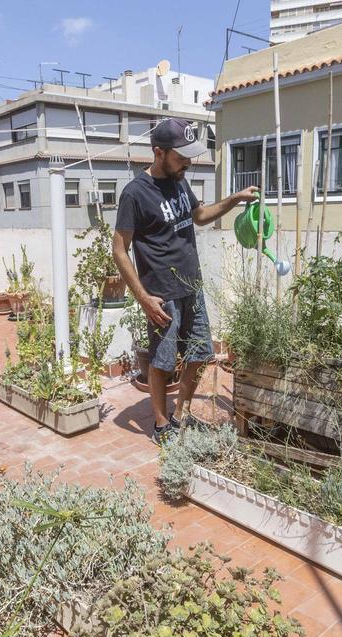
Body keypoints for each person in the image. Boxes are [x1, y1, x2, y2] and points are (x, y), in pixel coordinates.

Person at [112, 118, 259, 445]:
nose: (188, 164)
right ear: (159, 152)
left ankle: (182, 413)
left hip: (192, 286)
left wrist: (234, 199)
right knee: (162, 362)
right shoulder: (135, 194)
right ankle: (161, 424)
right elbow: (119, 250)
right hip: (161, 294)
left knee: (200, 352)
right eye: (181, 158)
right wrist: (144, 298)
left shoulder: (179, 182)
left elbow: (200, 215)